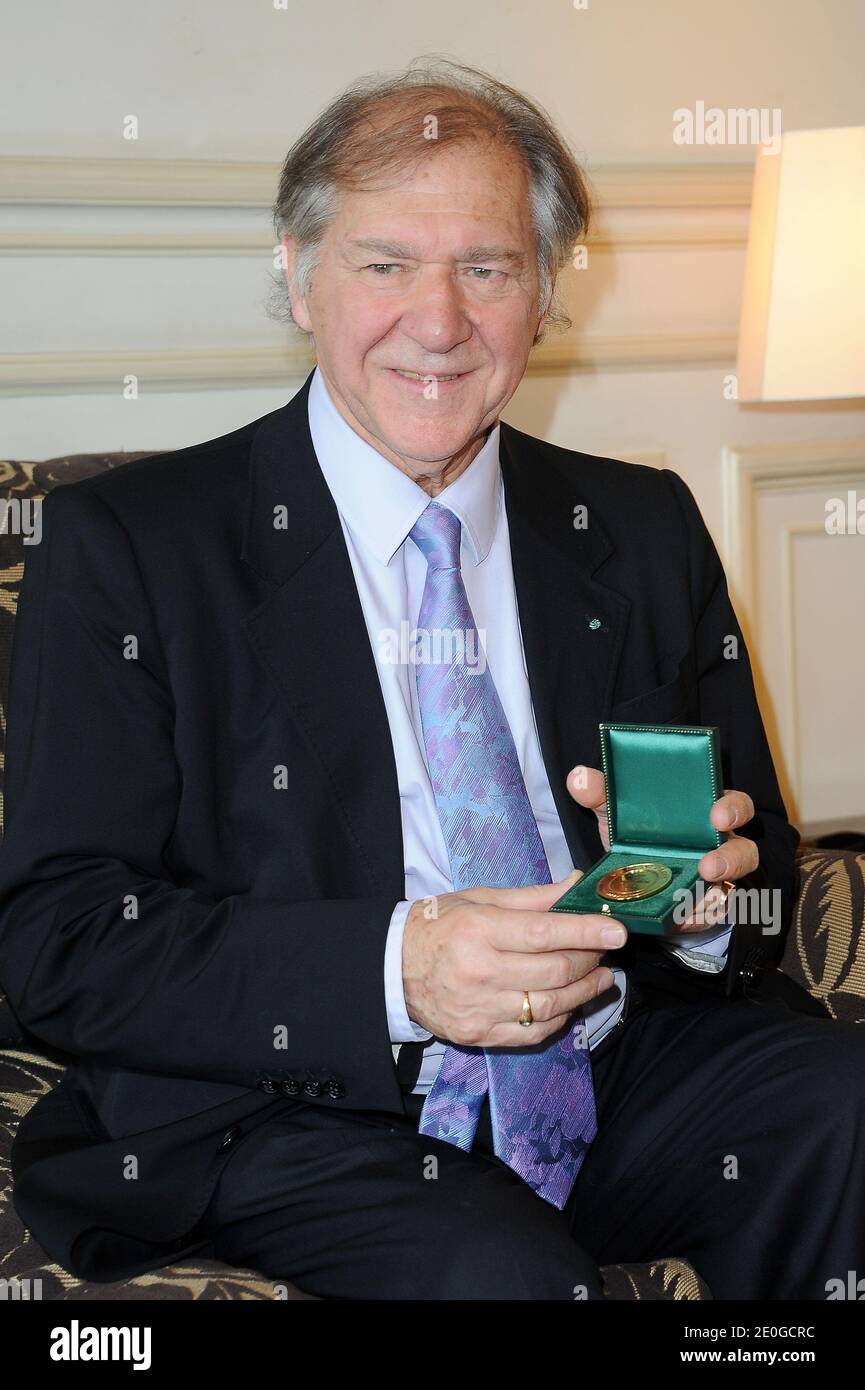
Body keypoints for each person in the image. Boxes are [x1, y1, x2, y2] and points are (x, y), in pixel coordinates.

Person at [0, 58, 861, 1301]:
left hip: (610, 1054)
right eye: (386, 263)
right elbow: (58, 938)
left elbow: (762, 855)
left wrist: (697, 900)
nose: (441, 320)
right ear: (297, 275)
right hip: (295, 1104)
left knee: (846, 1104)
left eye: (489, 267)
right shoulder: (131, 547)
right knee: (488, 1273)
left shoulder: (637, 523)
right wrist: (395, 967)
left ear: (546, 295)